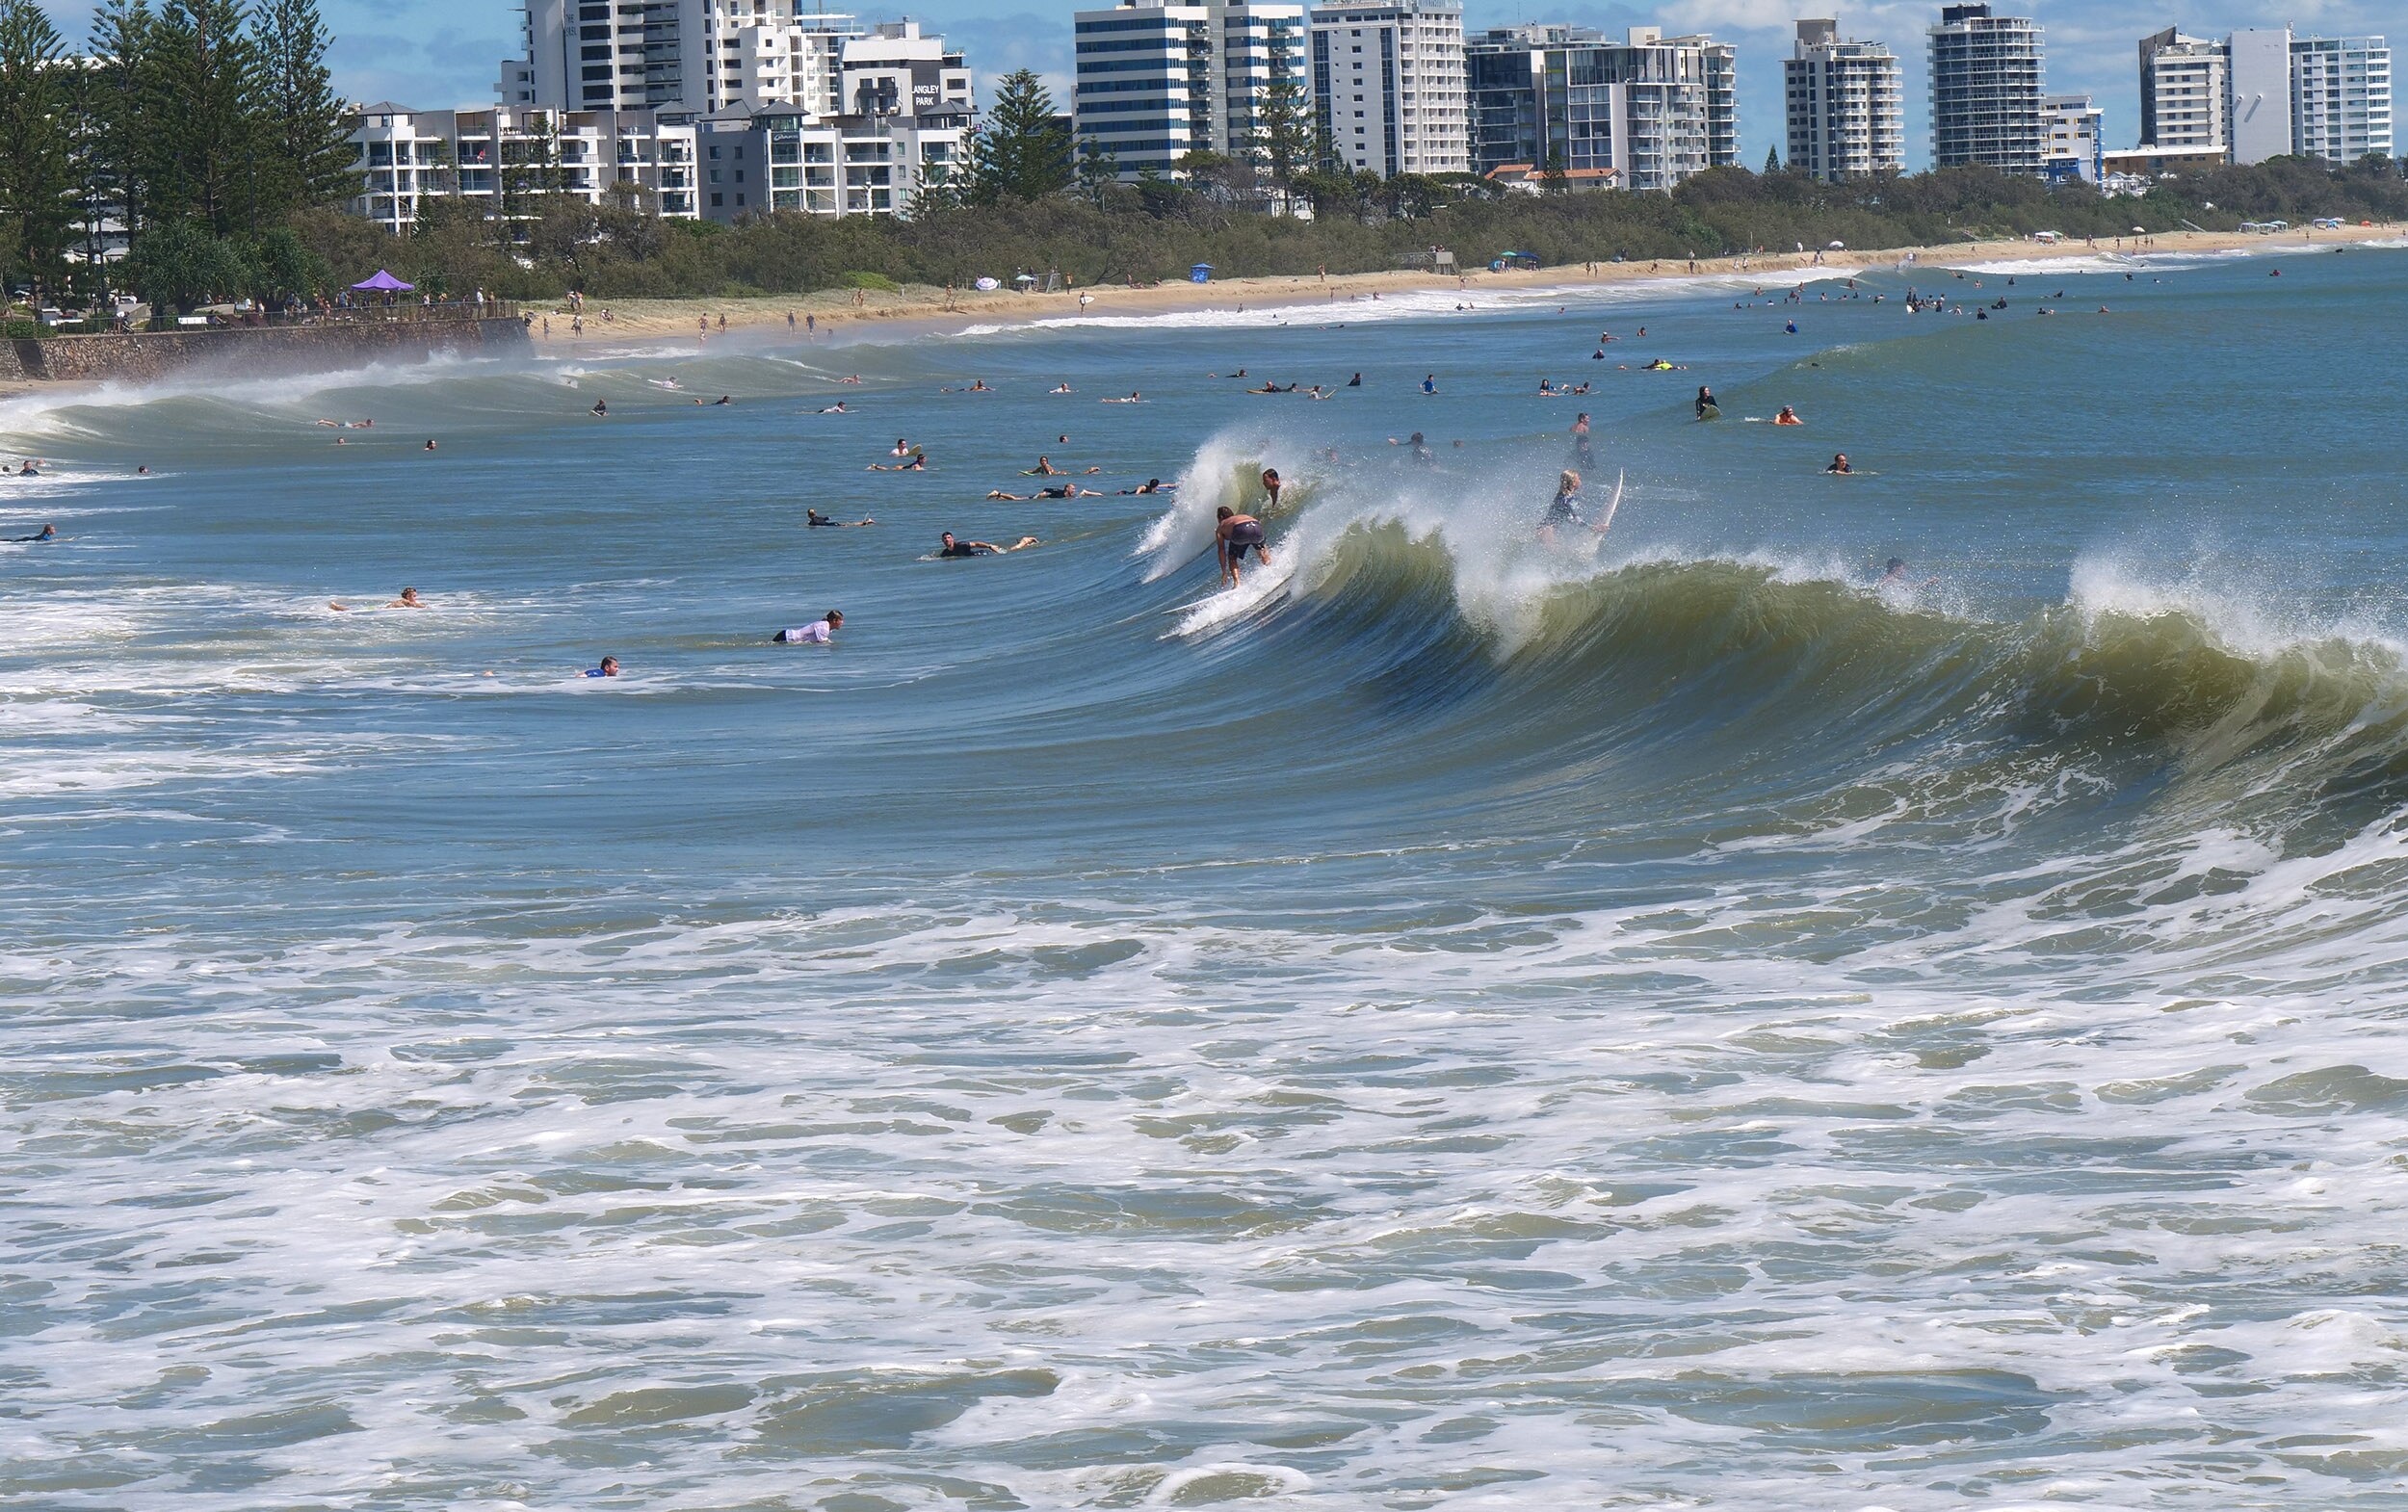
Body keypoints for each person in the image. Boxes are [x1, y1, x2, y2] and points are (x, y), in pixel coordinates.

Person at [1216, 505, 1269, 586]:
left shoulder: (1221, 525)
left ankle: (1237, 583)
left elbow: (1221, 550)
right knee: (1261, 549)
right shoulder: (1241, 516)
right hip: (1256, 525)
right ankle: (1270, 568)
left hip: (1240, 529)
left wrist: (1224, 571)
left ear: (1220, 517)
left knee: (1232, 558)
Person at [938, 531, 1036, 557]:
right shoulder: (945, 553)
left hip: (984, 554)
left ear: (952, 539)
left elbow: (976, 544)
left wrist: (990, 546)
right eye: (945, 539)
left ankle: (1025, 541)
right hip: (980, 556)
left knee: (1009, 551)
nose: (947, 540)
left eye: (948, 538)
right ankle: (1026, 544)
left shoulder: (961, 545)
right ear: (942, 541)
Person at [772, 610, 843, 643]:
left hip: (786, 635)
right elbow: (822, 643)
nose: (842, 622)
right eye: (841, 620)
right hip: (787, 637)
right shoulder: (824, 627)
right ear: (834, 620)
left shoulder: (825, 626)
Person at [807, 508, 873, 527]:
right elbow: (827, 518)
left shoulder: (813, 521)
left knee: (851, 525)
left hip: (832, 526)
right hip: (833, 523)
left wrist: (810, 523)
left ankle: (867, 522)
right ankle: (866, 522)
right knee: (850, 524)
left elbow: (815, 524)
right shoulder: (819, 518)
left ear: (809, 515)